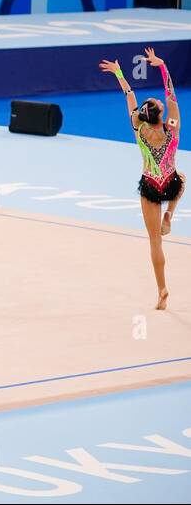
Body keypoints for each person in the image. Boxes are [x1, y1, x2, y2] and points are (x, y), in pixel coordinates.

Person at [101, 49, 181, 310]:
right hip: (169, 181)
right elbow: (171, 95)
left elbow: (129, 96)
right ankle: (170, 212)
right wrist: (162, 66)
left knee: (154, 241)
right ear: (160, 114)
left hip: (150, 183)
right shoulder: (172, 126)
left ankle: (162, 290)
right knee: (182, 177)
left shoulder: (139, 129)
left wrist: (120, 73)